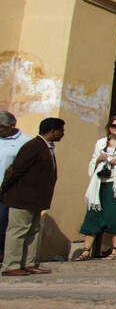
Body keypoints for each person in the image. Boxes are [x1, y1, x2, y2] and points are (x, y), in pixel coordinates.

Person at [0, 117, 65, 276]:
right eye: (61, 130)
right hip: (22, 198)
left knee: (33, 231)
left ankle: (29, 263)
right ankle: (11, 265)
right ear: (52, 131)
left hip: (35, 199)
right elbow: (15, 170)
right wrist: (3, 189)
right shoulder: (33, 146)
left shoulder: (45, 147)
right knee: (18, 231)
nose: (62, 134)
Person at [74, 114, 116, 261]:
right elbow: (92, 162)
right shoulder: (100, 143)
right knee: (93, 215)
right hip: (99, 183)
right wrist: (100, 159)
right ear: (109, 127)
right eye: (114, 126)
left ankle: (115, 250)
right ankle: (86, 250)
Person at [0, 112, 31, 260]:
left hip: (8, 192)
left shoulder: (25, 142)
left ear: (12, 126)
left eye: (1, 127)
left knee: (3, 224)